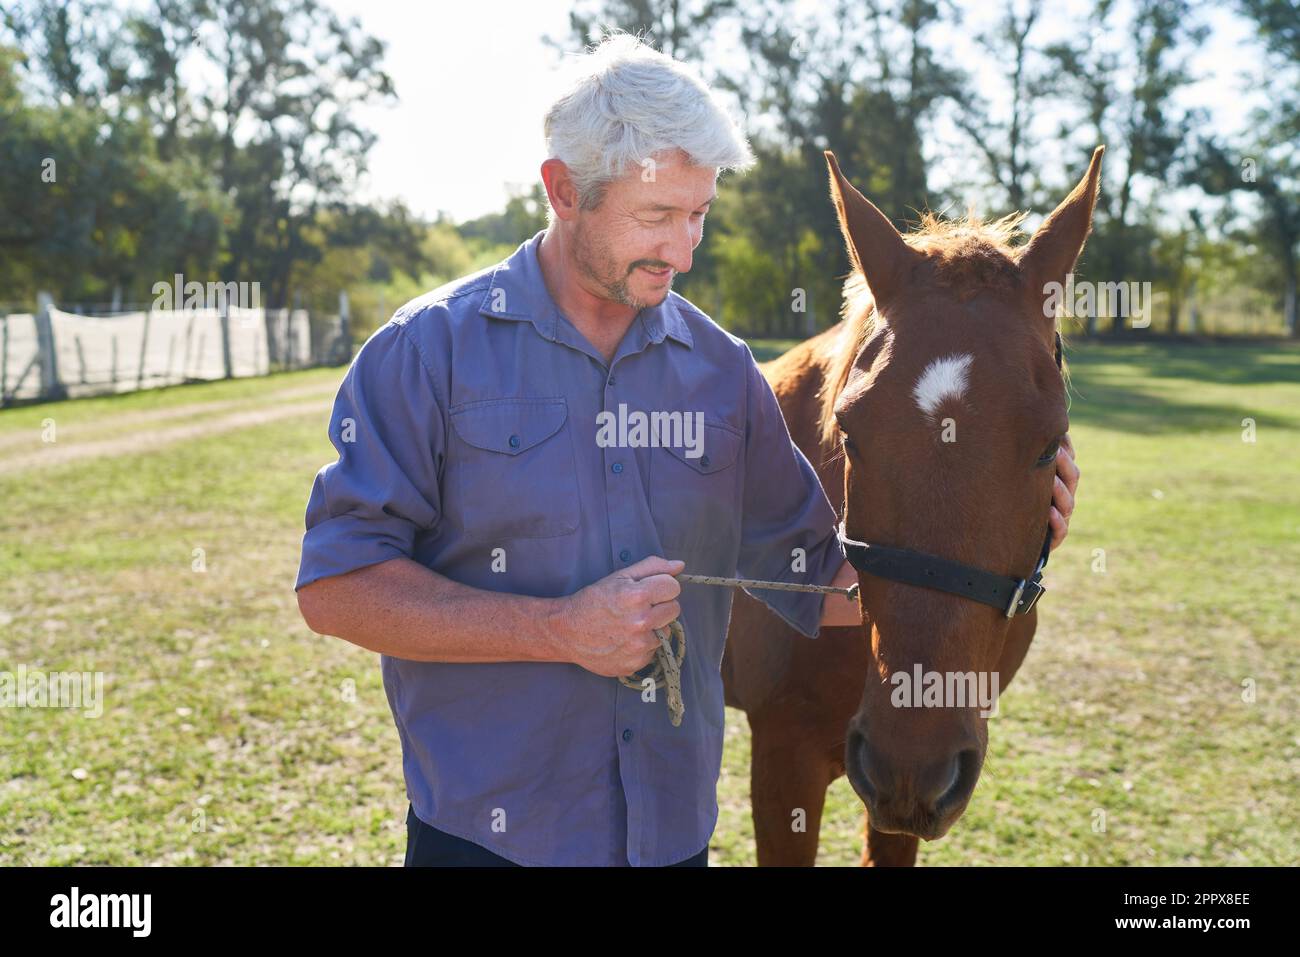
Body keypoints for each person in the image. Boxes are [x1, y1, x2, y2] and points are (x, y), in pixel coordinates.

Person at [294, 33, 1078, 868]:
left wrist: (1003, 533)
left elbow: (825, 582)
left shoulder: (723, 376)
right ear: (563, 190)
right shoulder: (424, 353)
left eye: (699, 213)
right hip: (483, 843)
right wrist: (557, 629)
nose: (685, 249)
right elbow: (337, 589)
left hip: (669, 845)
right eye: (656, 215)